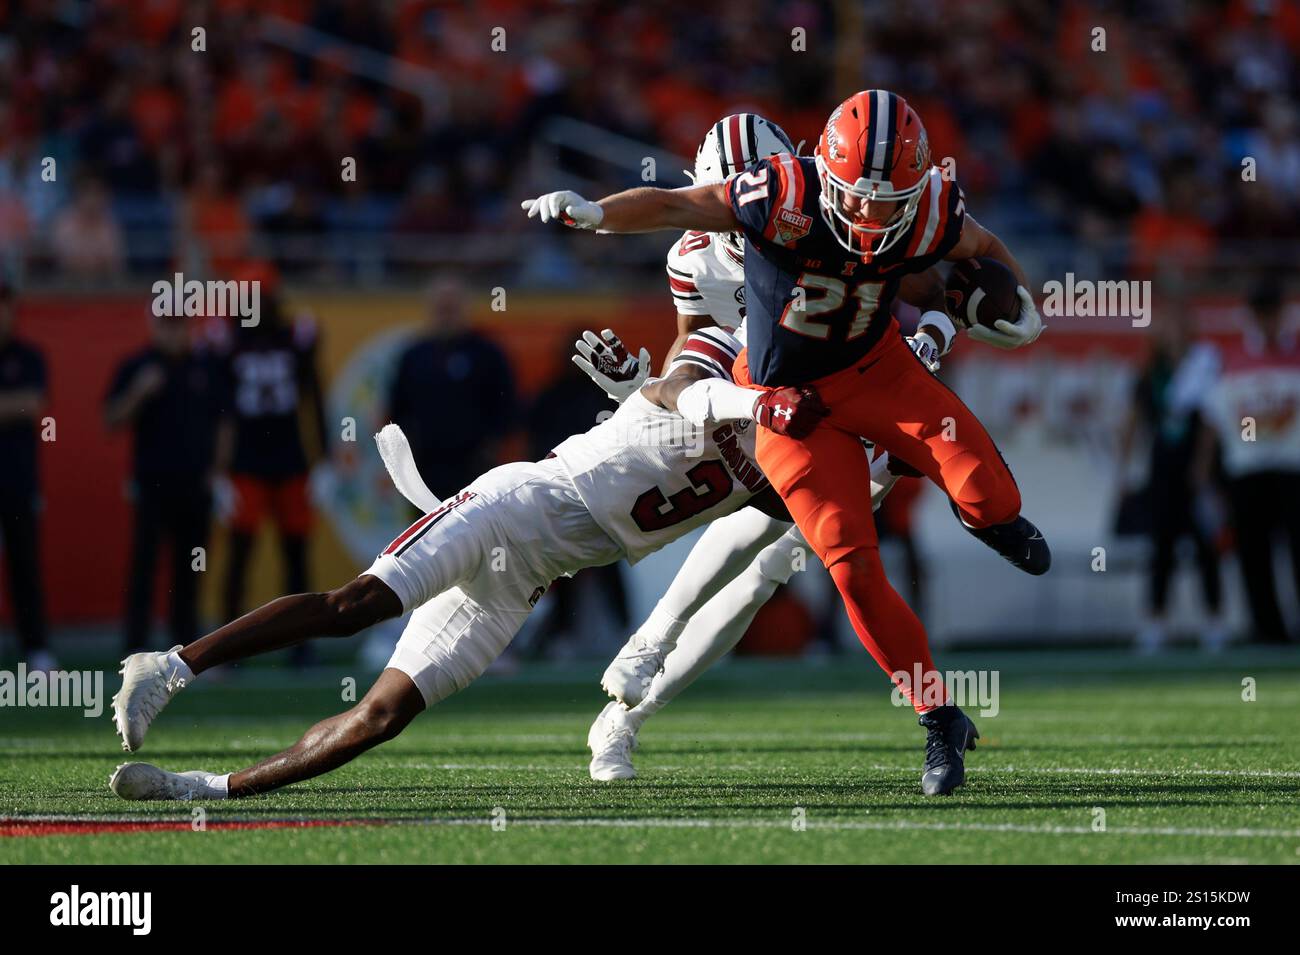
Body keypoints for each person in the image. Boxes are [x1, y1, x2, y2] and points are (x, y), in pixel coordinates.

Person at [524, 89, 1049, 795]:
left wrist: (997, 310)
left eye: (887, 202)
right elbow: (691, 343)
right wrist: (638, 376)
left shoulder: (905, 208)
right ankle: (932, 715)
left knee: (781, 567)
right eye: (857, 198)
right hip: (764, 408)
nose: (870, 216)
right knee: (797, 559)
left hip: (868, 375)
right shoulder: (742, 222)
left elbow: (956, 272)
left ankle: (983, 520)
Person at [106, 326, 881, 799]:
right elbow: (683, 385)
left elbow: (804, 514)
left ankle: (202, 787)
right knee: (357, 607)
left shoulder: (791, 460)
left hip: (528, 578)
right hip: (510, 506)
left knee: (383, 715)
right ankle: (168, 666)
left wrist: (870, 461)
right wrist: (727, 400)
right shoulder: (720, 362)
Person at [218, 268, 329, 666]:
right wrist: (219, 469)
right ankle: (229, 650)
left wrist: (323, 459)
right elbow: (219, 410)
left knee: (295, 559)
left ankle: (301, 645)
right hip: (247, 465)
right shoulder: (228, 342)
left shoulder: (295, 338)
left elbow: (314, 397)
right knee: (240, 557)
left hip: (290, 462)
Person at [105, 313, 231, 652]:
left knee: (190, 568)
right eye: (166, 324)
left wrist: (217, 473)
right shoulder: (137, 365)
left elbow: (224, 422)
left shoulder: (205, 366)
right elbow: (111, 419)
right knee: (144, 568)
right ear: (154, 326)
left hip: (195, 486)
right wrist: (138, 393)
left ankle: (186, 648)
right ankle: (134, 648)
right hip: (152, 486)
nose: (173, 333)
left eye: (179, 324)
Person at [1116, 306, 1224, 652]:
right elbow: (1132, 422)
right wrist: (1124, 468)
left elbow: (1210, 421)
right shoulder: (1150, 374)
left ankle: (1214, 621)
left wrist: (1203, 468)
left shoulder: (1202, 367)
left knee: (1206, 547)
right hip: (1161, 470)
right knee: (1161, 548)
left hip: (1193, 471)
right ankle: (1156, 622)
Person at [1198, 278, 1300, 644]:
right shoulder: (1230, 357)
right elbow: (1212, 419)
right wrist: (1203, 472)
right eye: (1261, 312)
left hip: (1292, 468)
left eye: (1272, 312)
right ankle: (1267, 630)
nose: (1267, 320)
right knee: (1253, 554)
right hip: (1248, 469)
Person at [386, 276, 516, 500]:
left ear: (465, 308)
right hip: (425, 468)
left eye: (452, 308)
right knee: (428, 531)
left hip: (475, 468)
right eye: (441, 308)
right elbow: (397, 408)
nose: (446, 315)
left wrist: (492, 446)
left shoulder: (488, 354)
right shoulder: (414, 356)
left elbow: (507, 404)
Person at [0, 281, 52, 671]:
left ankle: (36, 648)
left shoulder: (29, 356)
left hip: (17, 479)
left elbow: (33, 405)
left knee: (25, 566)